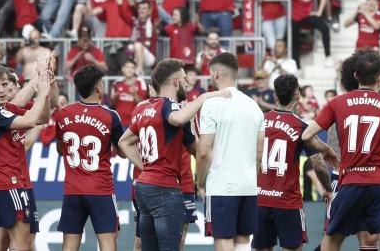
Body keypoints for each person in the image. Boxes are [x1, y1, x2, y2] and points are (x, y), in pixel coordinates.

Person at [301, 49, 380, 251]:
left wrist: (326, 149)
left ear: (355, 75)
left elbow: (307, 135)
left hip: (350, 182)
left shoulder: (336, 103)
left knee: (330, 244)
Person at [118, 59, 229, 251]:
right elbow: (177, 119)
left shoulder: (144, 108)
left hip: (144, 185)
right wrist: (203, 98)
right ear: (176, 81)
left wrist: (146, 168)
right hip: (164, 187)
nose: (187, 83)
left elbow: (123, 142)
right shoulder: (172, 106)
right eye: (185, 79)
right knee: (171, 247)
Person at [253, 74, 335, 251]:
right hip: (287, 202)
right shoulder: (302, 127)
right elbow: (319, 165)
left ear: (275, 96)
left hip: (260, 200)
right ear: (298, 95)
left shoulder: (259, 121)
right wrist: (328, 190)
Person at [0, 60, 55, 251]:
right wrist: (43, 91)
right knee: (22, 245)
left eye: (5, 84)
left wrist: (40, 78)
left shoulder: (5, 108)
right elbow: (31, 121)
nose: (2, 89)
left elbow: (42, 118)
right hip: (9, 182)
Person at [195, 52, 265, 251]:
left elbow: (204, 150)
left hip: (222, 184)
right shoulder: (254, 106)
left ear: (215, 73)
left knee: (224, 238)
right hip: (248, 183)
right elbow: (260, 154)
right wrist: (253, 177)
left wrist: (200, 182)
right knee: (243, 239)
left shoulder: (212, 103)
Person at [52, 66, 126, 251]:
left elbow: (61, 150)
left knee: (69, 243)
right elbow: (123, 152)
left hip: (73, 188)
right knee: (107, 242)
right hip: (100, 188)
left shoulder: (63, 114)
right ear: (99, 87)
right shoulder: (110, 116)